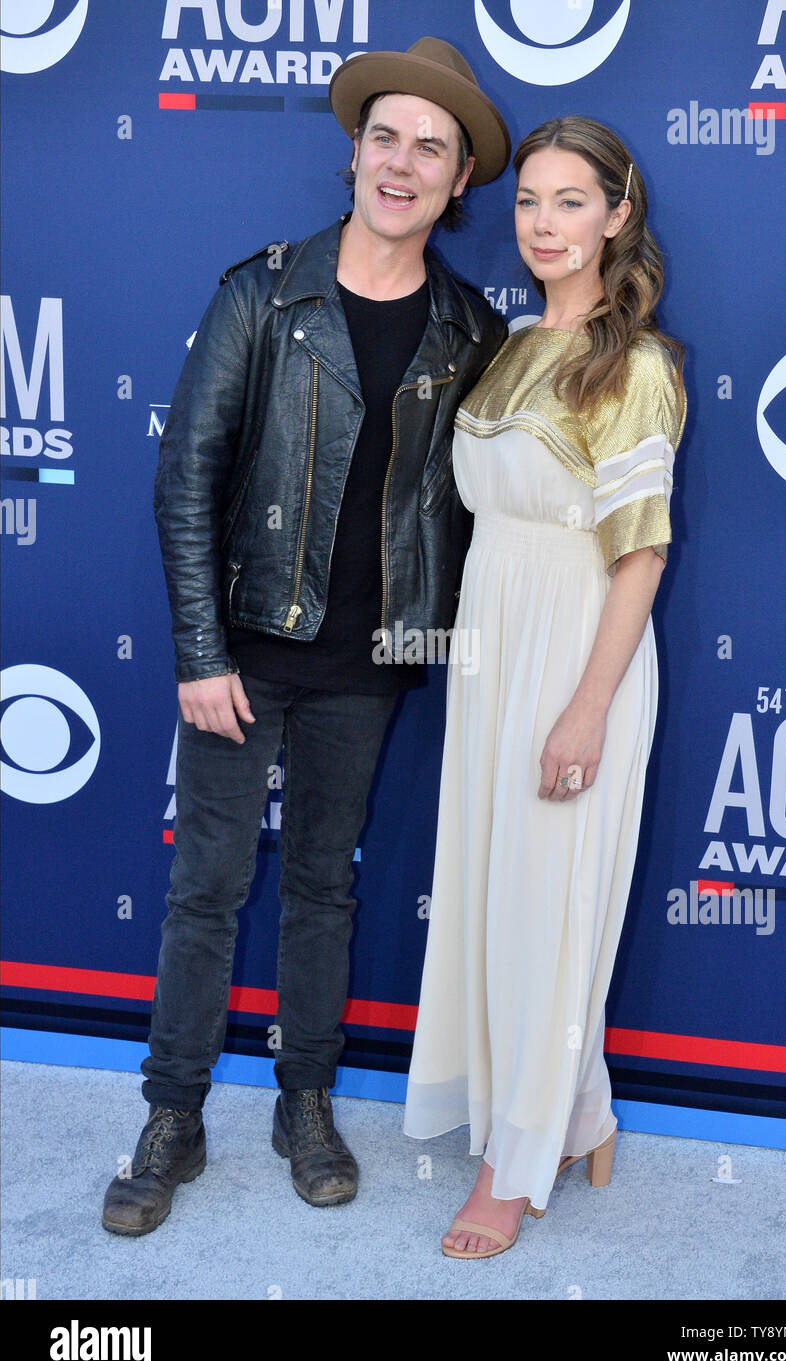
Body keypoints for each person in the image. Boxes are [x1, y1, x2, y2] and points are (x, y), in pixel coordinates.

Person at [101, 37, 510, 1236]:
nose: (403, 160)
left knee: (325, 886)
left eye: (431, 146)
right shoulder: (261, 290)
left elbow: (475, 505)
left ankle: (307, 1101)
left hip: (372, 665)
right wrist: (197, 653)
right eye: (386, 136)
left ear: (456, 182)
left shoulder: (468, 329)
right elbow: (188, 479)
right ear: (353, 153)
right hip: (242, 650)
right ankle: (171, 1112)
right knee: (208, 888)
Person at [403, 116, 687, 1258]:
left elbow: (644, 553)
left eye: (572, 202)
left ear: (619, 215)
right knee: (503, 898)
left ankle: (515, 1167)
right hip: (492, 645)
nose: (545, 225)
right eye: (529, 202)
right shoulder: (510, 346)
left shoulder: (642, 365)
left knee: (548, 908)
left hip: (581, 652)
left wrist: (584, 706)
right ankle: (579, 1115)